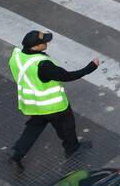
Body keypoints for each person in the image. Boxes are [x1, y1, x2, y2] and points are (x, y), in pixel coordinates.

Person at [8, 30, 98, 171]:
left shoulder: (17, 56)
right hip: (53, 106)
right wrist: (90, 68)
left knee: (32, 129)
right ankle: (72, 148)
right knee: (66, 127)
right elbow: (67, 76)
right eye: (44, 42)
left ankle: (16, 153)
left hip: (34, 104)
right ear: (35, 48)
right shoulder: (43, 65)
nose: (47, 43)